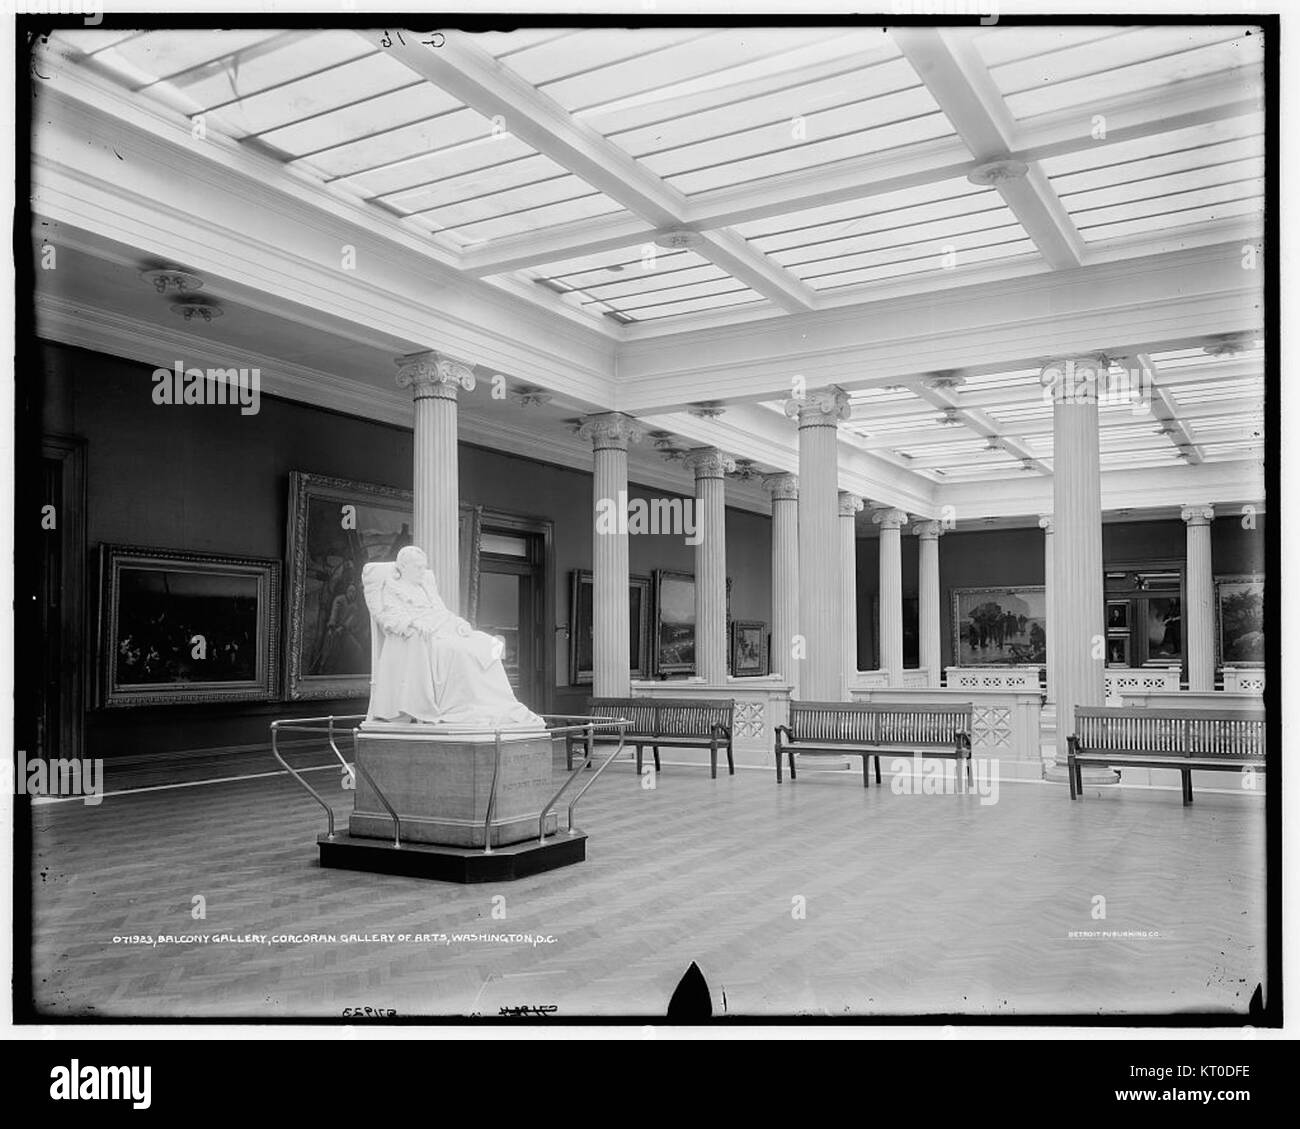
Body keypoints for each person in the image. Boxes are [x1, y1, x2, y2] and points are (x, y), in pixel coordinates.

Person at [363, 546, 544, 729]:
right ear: (403, 567)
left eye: (423, 567)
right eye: (418, 567)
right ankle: (465, 705)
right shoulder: (393, 589)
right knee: (460, 651)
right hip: (422, 639)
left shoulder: (426, 589)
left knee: (488, 644)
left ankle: (496, 703)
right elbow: (389, 618)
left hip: (444, 630)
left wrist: (459, 623)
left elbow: (443, 613)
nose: (422, 572)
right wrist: (414, 624)